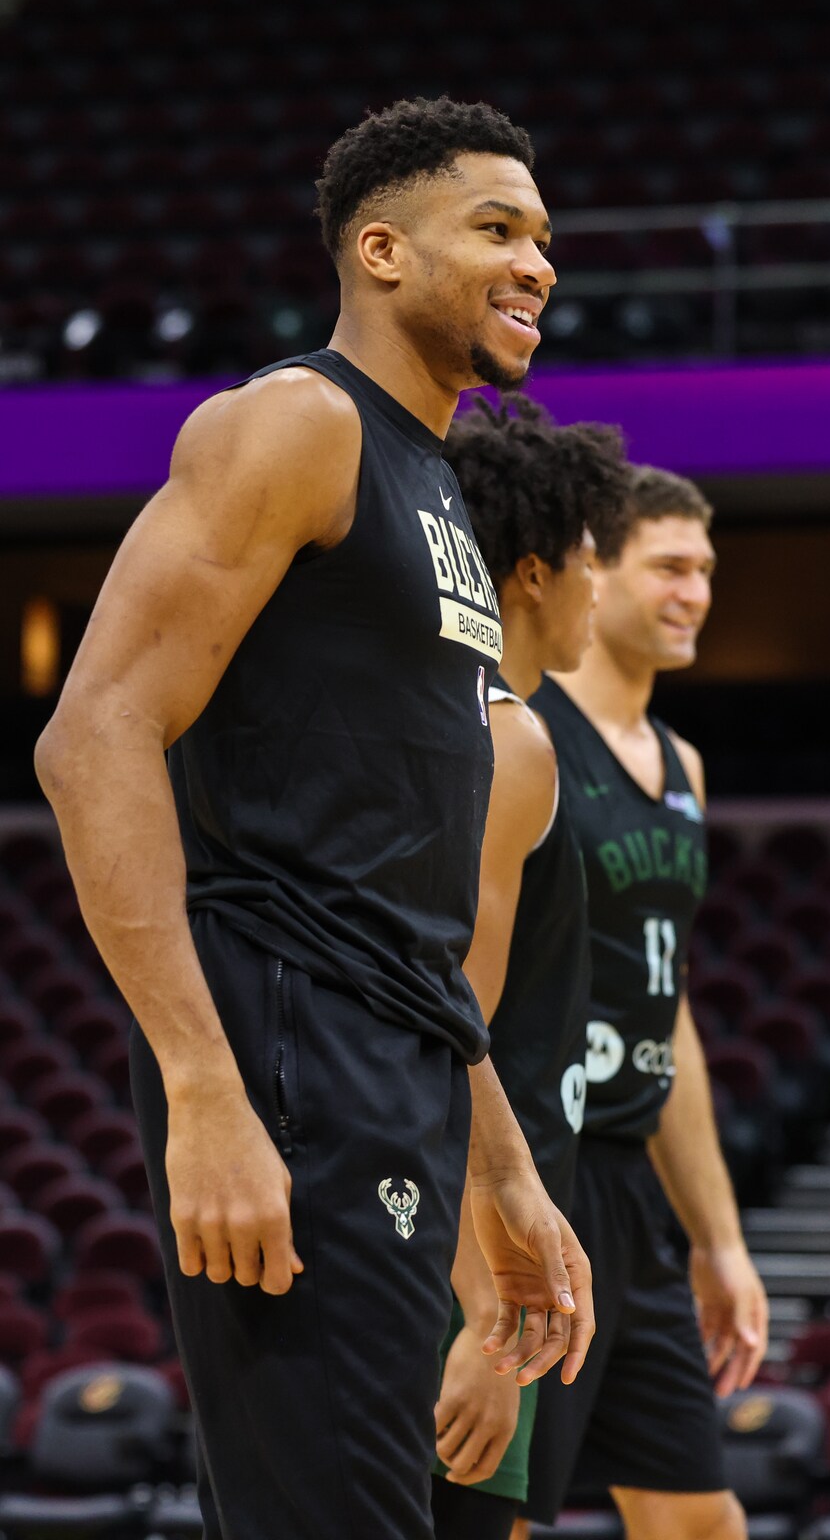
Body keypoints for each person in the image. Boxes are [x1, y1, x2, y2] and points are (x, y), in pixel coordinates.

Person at [34, 96, 594, 1540]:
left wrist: (501, 1168)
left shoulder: (438, 484)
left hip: (391, 1057)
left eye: (543, 236)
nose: (538, 262)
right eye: (497, 228)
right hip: (290, 1046)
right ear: (381, 250)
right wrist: (204, 1089)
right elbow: (93, 735)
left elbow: (410, 905)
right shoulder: (296, 423)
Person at [517, 467, 767, 1540]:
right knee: (495, 1514)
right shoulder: (522, 729)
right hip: (535, 1169)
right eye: (669, 567)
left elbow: (672, 1015)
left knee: (701, 1517)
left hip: (628, 1187)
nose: (694, 593)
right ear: (596, 568)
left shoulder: (683, 766)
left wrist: (719, 1239)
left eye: (705, 570)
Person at [429, 397, 632, 1540]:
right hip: (462, 1243)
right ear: (531, 574)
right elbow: (447, 1032)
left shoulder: (433, 717)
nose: (598, 586)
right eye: (590, 558)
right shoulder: (507, 739)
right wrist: (480, 1308)